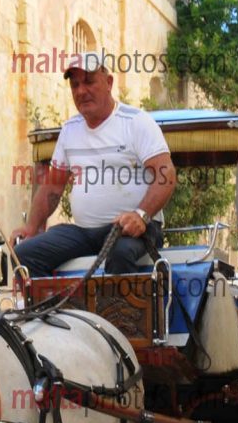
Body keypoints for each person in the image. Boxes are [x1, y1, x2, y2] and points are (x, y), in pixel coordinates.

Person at [11, 52, 177, 276]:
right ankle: (54, 311)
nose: (81, 91)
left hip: (135, 230)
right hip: (84, 232)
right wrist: (31, 227)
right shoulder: (70, 130)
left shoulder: (136, 122)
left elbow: (165, 174)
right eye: (75, 85)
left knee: (121, 254)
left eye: (89, 81)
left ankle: (122, 312)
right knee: (23, 255)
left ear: (108, 83)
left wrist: (141, 215)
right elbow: (52, 188)